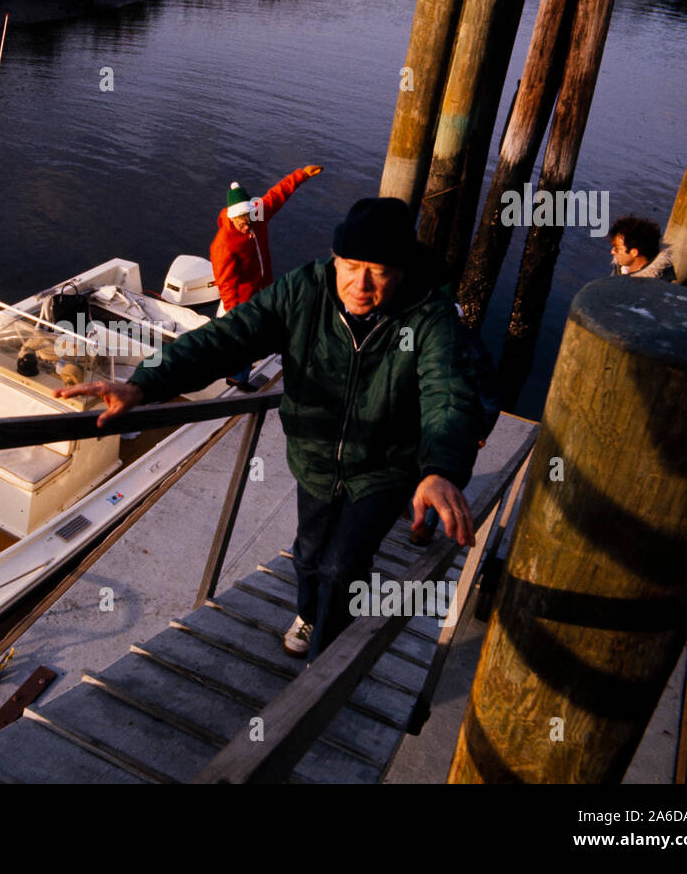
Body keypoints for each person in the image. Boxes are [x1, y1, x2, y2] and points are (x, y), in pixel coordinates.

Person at [57, 197, 484, 663]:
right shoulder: (304, 292)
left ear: (401, 270)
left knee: (344, 566)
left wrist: (439, 468)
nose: (360, 284)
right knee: (307, 554)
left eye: (378, 271)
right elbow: (224, 340)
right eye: (351, 265)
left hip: (386, 467)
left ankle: (326, 663)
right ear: (335, 258)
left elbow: (448, 394)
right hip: (316, 456)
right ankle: (307, 612)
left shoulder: (428, 316)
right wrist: (144, 384)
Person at [211, 165, 322, 389]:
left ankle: (281, 353)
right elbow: (226, 284)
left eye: (249, 221)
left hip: (263, 289)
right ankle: (236, 380)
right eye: (241, 224)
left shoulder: (256, 216)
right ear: (232, 219)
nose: (247, 228)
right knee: (245, 341)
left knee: (276, 322)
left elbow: (277, 195)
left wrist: (300, 176)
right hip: (241, 301)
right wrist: (237, 314)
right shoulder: (224, 244)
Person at [609, 215, 674, 280]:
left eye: (617, 249)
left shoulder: (657, 286)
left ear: (634, 252)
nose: (612, 251)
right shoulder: (620, 268)